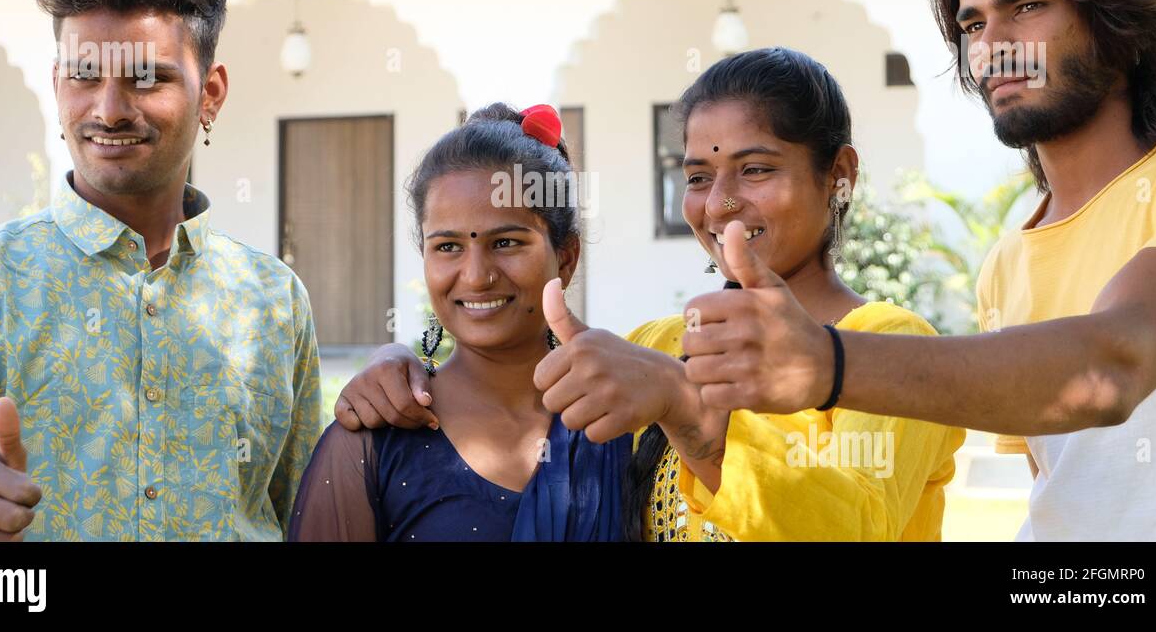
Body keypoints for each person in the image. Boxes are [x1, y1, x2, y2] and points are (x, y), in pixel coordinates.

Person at [675, 0, 1156, 541]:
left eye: (1026, 6)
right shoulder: (1009, 261)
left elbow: (1115, 365)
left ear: (1118, 16)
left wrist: (828, 362)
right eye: (973, 25)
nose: (992, 47)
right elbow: (1074, 500)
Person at [336, 50, 967, 541]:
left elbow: (858, 525)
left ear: (839, 175)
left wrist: (687, 409)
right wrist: (406, 361)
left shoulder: (886, 345)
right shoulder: (663, 344)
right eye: (698, 176)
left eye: (755, 169)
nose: (719, 203)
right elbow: (508, 333)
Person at [0, 0, 321, 541]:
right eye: (85, 75)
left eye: (147, 78)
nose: (110, 108)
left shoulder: (274, 301)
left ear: (212, 94)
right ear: (56, 83)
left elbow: (308, 513)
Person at [288, 104, 629, 541]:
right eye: (448, 247)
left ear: (565, 258)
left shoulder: (624, 423)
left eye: (506, 242)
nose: (476, 276)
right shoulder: (370, 444)